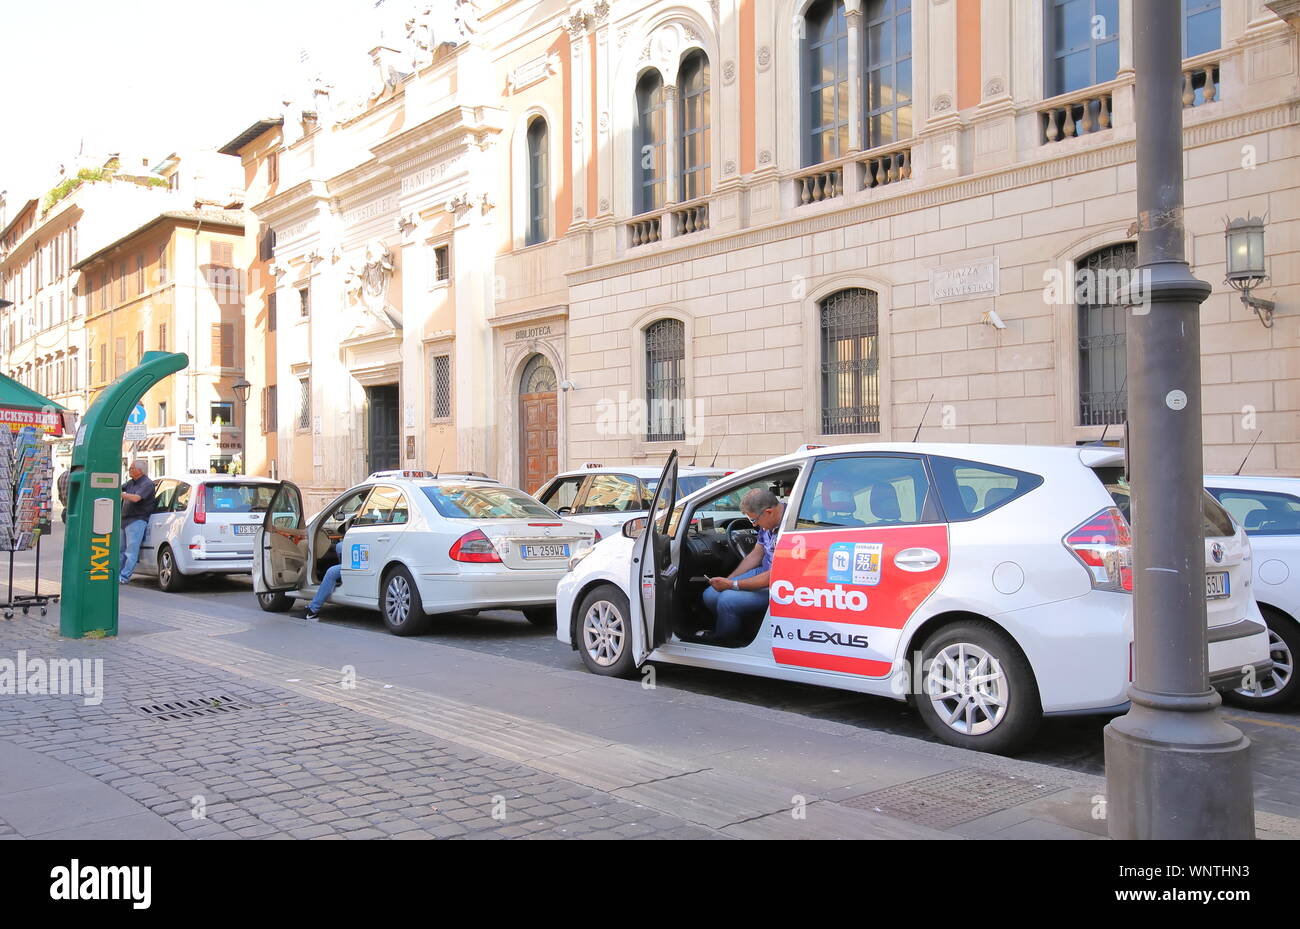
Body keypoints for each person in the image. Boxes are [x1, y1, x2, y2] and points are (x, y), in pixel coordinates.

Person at [699, 488, 785, 644]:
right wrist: (727, 580)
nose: (755, 525)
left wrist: (732, 585)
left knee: (727, 600)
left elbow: (773, 576)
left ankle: (725, 641)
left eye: (754, 520)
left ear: (769, 512)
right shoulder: (767, 524)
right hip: (764, 572)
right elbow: (755, 555)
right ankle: (738, 627)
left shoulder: (788, 526)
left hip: (778, 584)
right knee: (710, 594)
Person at [305, 518, 353, 622]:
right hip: (363, 559)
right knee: (339, 546)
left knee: (331, 572)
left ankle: (313, 610)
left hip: (361, 563)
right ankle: (342, 572)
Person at [119, 460, 156, 583]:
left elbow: (136, 498)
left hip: (137, 520)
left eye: (132, 468)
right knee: (120, 550)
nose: (129, 470)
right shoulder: (131, 483)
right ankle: (117, 575)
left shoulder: (147, 484)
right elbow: (118, 487)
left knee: (131, 551)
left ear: (139, 471)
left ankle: (124, 576)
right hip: (124, 520)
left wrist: (121, 494)